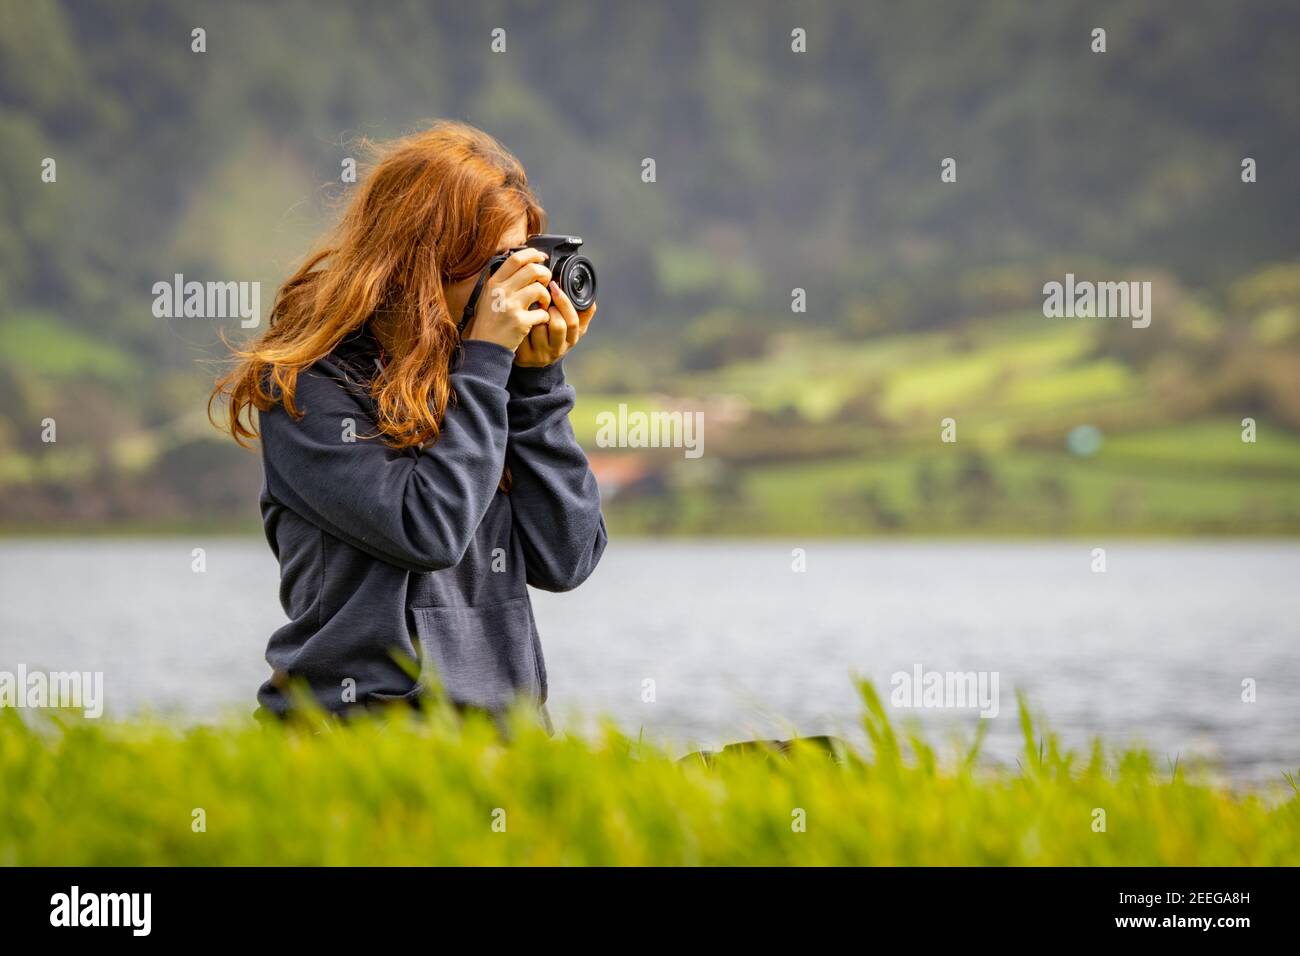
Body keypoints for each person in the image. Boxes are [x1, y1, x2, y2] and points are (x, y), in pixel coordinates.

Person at [209, 120, 606, 730]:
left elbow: (568, 558)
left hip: (508, 742)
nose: (515, 285)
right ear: (425, 258)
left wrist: (537, 384)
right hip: (355, 732)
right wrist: (489, 362)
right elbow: (428, 530)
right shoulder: (306, 389)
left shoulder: (480, 376)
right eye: (496, 263)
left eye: (523, 258)